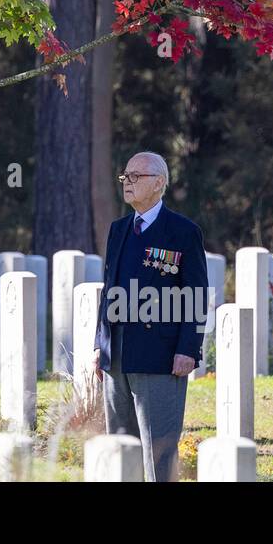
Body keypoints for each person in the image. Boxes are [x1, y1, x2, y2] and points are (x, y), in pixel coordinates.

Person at [92, 151, 208, 481]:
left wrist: (188, 349)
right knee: (121, 450)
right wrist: (100, 344)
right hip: (117, 358)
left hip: (161, 356)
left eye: (136, 176)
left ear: (158, 183)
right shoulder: (119, 230)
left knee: (158, 451)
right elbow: (108, 290)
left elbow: (196, 294)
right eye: (124, 176)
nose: (127, 182)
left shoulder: (183, 232)